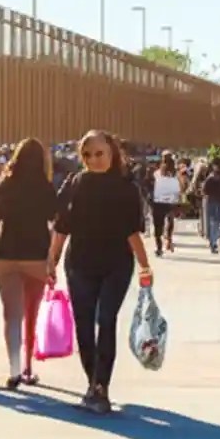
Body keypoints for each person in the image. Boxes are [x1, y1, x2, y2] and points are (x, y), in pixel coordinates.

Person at [48, 130, 153, 414]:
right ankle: (92, 384)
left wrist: (145, 267)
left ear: (112, 153)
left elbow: (132, 233)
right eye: (87, 155)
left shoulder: (126, 188)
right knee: (83, 323)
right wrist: (51, 261)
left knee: (105, 319)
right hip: (79, 263)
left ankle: (101, 387)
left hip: (116, 264)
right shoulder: (75, 184)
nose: (93, 160)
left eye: (99, 154)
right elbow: (61, 226)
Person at [0, 138, 57, 389]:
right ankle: (28, 367)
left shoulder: (5, 184)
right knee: (31, 314)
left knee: (12, 316)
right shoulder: (45, 187)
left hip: (6, 254)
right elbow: (53, 220)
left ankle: (14, 369)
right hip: (36, 255)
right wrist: (52, 260)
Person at [150, 153, 182, 256]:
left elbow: (151, 186)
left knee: (158, 226)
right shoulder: (175, 174)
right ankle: (168, 239)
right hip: (171, 201)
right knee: (170, 220)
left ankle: (159, 247)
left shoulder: (156, 173)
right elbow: (179, 187)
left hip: (158, 201)